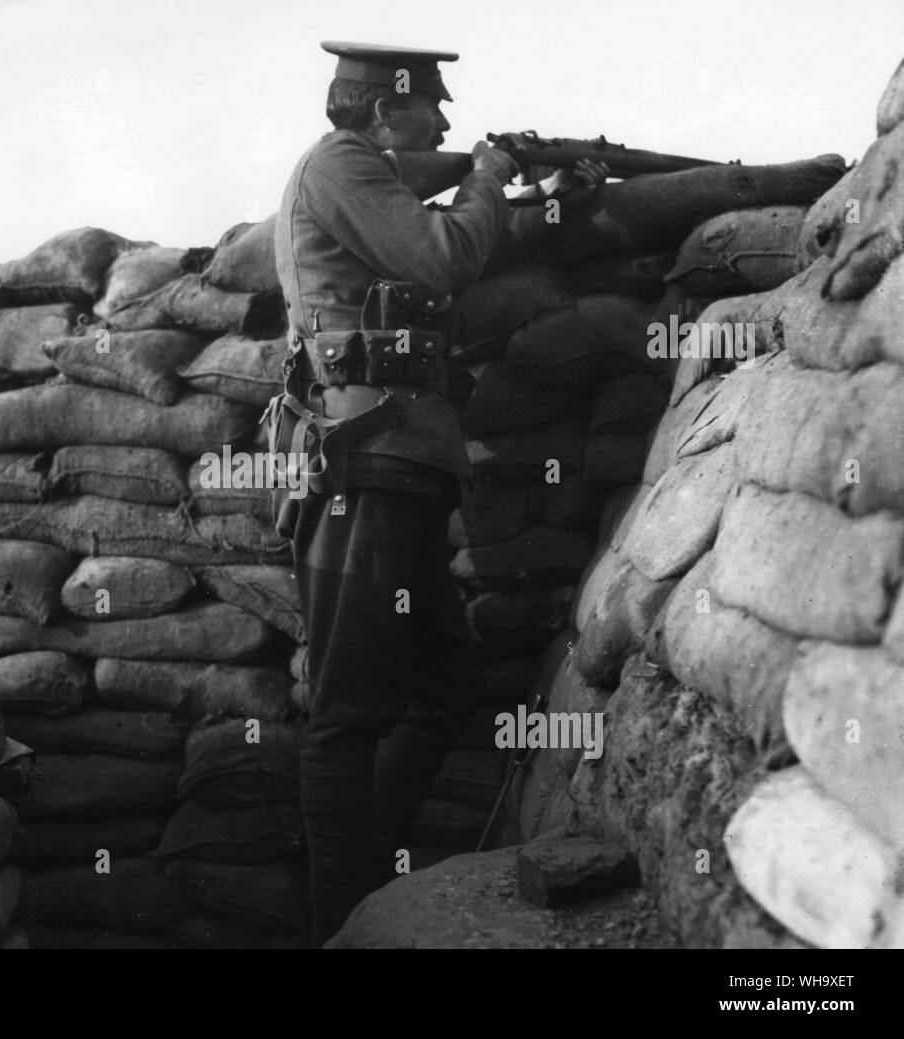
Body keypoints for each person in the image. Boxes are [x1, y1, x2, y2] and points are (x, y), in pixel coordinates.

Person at [271, 40, 604, 946]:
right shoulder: (340, 164)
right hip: (363, 468)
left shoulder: (371, 175)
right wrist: (489, 178)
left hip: (404, 470)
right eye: (433, 109)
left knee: (447, 687)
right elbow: (444, 254)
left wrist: (532, 193)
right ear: (385, 113)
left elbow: (449, 242)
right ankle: (341, 922)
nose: (448, 122)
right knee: (345, 714)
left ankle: (376, 891)